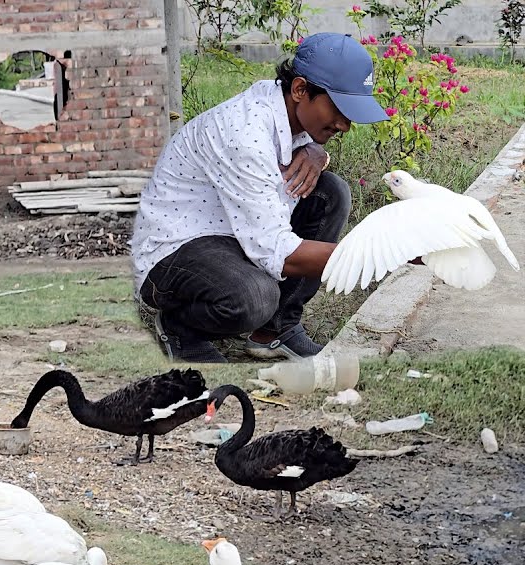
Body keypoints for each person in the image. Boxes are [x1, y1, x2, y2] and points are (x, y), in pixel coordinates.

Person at [130, 32, 392, 363]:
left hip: (230, 229)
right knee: (255, 297)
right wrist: (378, 254)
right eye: (340, 108)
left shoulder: (283, 107)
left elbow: (299, 159)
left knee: (330, 193)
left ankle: (275, 331)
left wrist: (316, 151)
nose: (345, 124)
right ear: (300, 90)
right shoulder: (245, 136)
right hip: (172, 251)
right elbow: (280, 253)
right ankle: (181, 326)